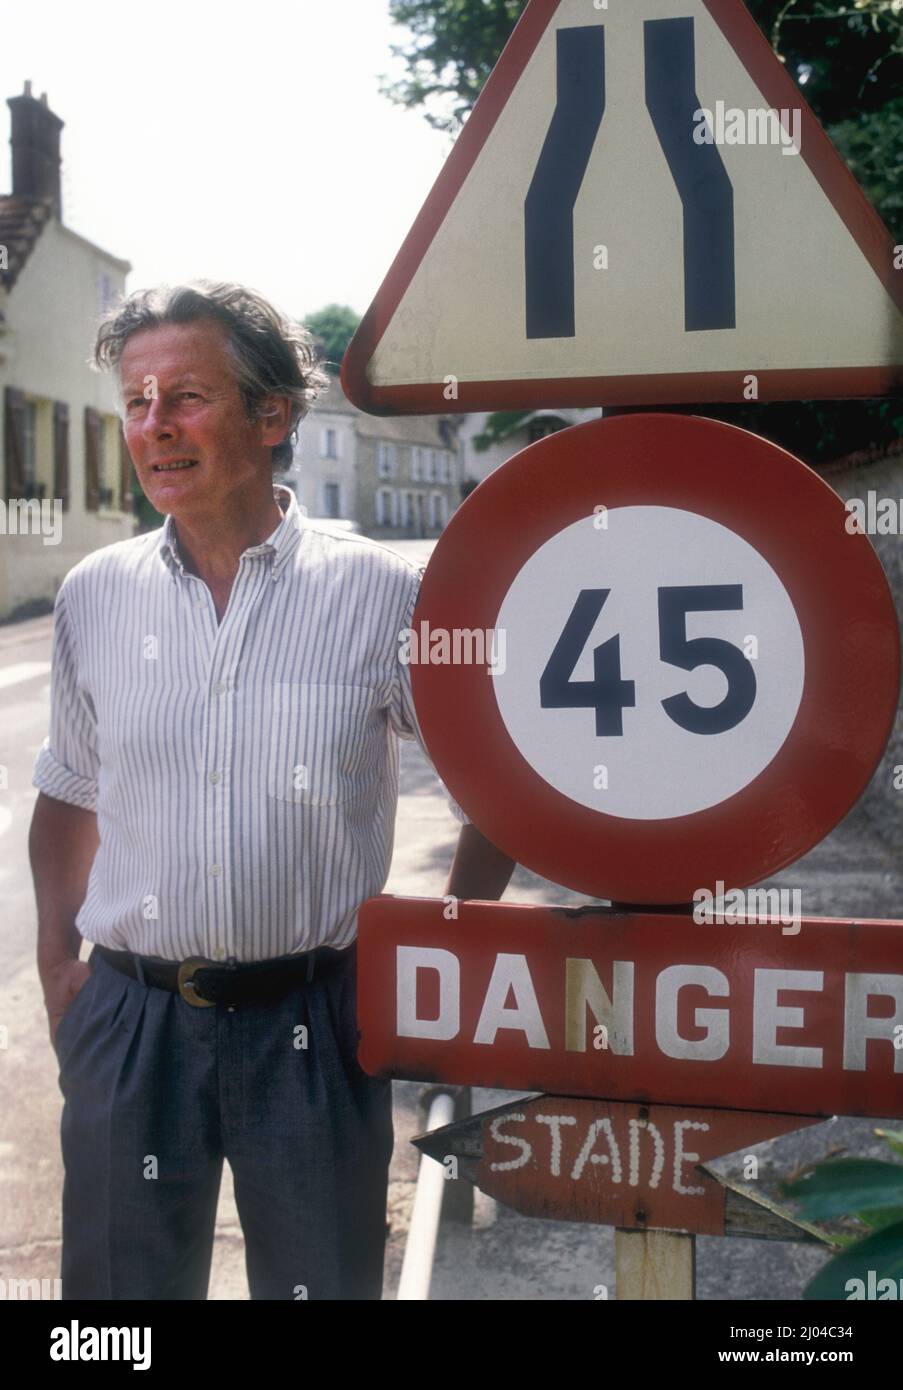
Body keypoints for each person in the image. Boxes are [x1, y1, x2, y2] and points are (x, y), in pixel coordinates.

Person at [29, 281, 516, 1301]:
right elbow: (70, 793)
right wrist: (57, 969)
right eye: (137, 401)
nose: (155, 426)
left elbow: (497, 790)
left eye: (187, 397)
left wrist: (442, 949)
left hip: (315, 1019)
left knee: (322, 1287)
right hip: (129, 1017)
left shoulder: (380, 592)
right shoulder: (94, 596)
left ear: (273, 414)